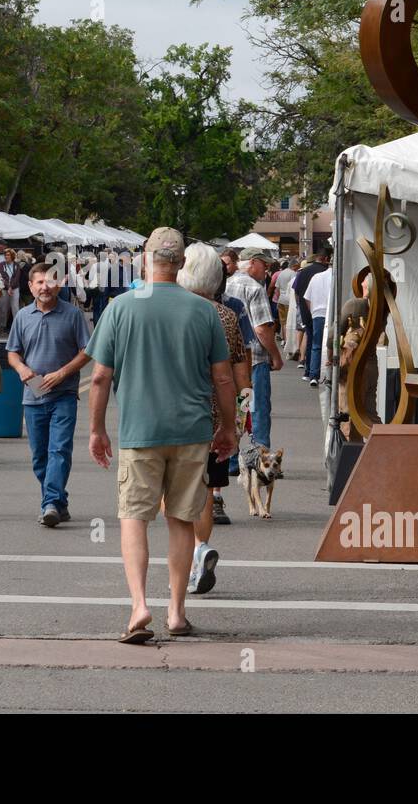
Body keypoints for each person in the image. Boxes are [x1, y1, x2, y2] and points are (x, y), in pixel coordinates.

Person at [86, 228, 237, 643]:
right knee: (181, 519)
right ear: (181, 263)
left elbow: (99, 378)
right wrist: (228, 428)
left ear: (144, 261)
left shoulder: (120, 308)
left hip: (140, 430)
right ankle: (176, 611)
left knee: (134, 517)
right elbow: (223, 380)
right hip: (191, 432)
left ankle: (138, 605)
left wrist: (97, 430)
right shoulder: (204, 311)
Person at [178, 244, 251, 595]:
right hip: (215, 419)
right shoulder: (226, 316)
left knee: (172, 490)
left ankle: (186, 557)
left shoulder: (172, 311)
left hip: (175, 417)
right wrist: (241, 415)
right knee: (207, 489)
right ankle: (199, 549)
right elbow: (239, 370)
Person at [7, 262, 92, 527]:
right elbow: (12, 352)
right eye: (39, 283)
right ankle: (58, 502)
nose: (45, 287)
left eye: (50, 282)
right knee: (40, 457)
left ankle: (51, 503)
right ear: (31, 287)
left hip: (64, 394)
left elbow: (87, 351)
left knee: (59, 450)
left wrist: (63, 372)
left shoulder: (72, 315)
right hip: (32, 396)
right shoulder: (22, 316)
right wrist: (21, 368)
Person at [227, 248, 284, 453]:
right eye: (264, 264)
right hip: (255, 358)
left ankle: (232, 456)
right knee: (257, 408)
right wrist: (276, 357)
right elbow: (262, 329)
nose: (267, 269)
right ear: (252, 263)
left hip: (231, 358)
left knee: (238, 408)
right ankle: (260, 455)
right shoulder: (254, 288)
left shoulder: (225, 284)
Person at [304, 254, 334, 387]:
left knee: (316, 345)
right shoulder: (337, 278)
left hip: (317, 314)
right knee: (333, 345)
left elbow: (307, 297)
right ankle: (330, 374)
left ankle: (313, 375)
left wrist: (312, 312)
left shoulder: (316, 277)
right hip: (333, 314)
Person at [0, 248, 23, 332]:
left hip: (15, 289)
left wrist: (11, 287)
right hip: (4, 289)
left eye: (8, 255)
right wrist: (8, 287)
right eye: (5, 255)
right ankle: (2, 326)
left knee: (15, 307)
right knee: (3, 308)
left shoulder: (16, 265)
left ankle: (17, 326)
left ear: (12, 256)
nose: (6, 256)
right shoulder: (1, 264)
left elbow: (17, 277)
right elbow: (3, 276)